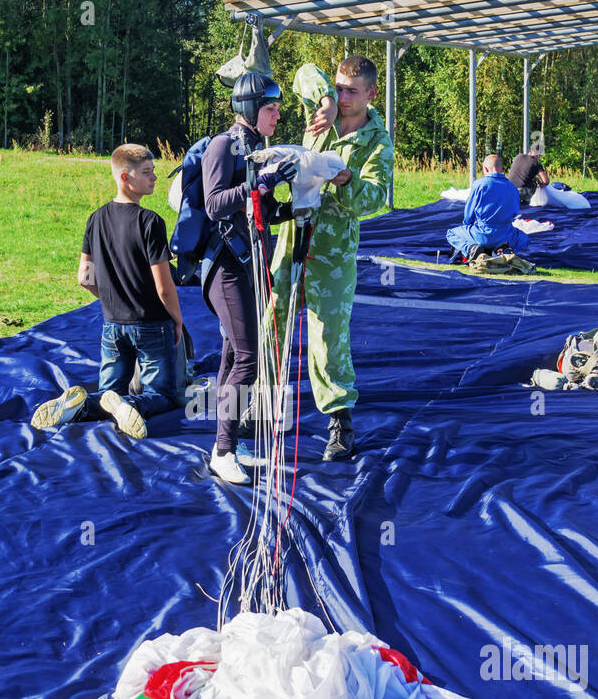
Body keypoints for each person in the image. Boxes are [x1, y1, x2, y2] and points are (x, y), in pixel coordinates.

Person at [267, 56, 393, 461]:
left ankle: (340, 421)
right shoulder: (324, 109)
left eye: (351, 91)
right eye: (339, 87)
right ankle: (261, 403)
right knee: (272, 319)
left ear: (372, 93)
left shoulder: (378, 140)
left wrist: (345, 179)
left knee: (328, 336)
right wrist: (322, 98)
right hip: (292, 237)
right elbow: (302, 68)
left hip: (333, 252)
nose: (343, 96)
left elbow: (374, 198)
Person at [30, 144, 183, 438]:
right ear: (126, 177)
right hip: (151, 324)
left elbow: (84, 277)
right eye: (147, 173)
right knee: (163, 395)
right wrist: (177, 320)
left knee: (106, 392)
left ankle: (79, 407)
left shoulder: (96, 219)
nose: (154, 178)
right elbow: (164, 287)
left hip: (112, 324)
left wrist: (112, 299)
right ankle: (128, 403)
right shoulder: (150, 222)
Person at [200, 71, 296, 485]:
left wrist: (293, 205)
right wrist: (256, 184)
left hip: (250, 264)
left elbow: (261, 212)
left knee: (231, 357)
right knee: (249, 359)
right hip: (225, 266)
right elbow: (214, 204)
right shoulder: (223, 146)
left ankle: (228, 445)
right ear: (249, 109)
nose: (277, 116)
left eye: (276, 109)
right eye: (270, 109)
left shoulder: (258, 148)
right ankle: (223, 451)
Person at [446, 154, 528, 261]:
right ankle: (502, 250)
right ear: (501, 168)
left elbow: (468, 214)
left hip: (481, 232)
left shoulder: (479, 184)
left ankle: (471, 249)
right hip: (505, 234)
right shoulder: (513, 188)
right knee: (524, 238)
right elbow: (514, 213)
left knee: (451, 233)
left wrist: (468, 228)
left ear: (485, 168)